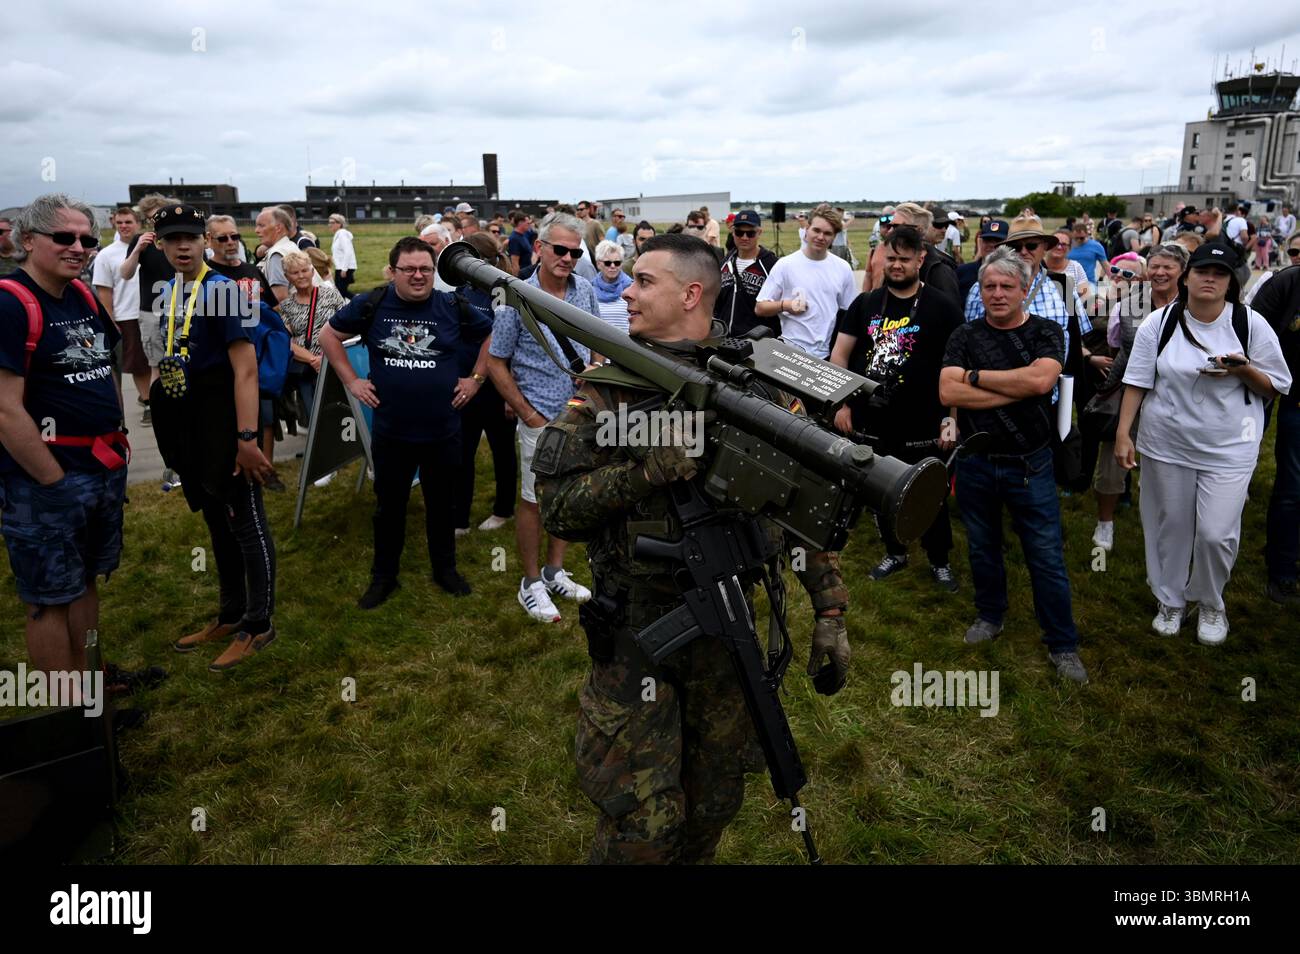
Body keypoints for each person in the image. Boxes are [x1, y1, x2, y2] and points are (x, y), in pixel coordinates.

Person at [535, 232, 849, 864]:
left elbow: (803, 508)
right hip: (635, 633)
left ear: (692, 293)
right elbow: (560, 509)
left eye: (644, 281)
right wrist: (646, 471)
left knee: (712, 800)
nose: (627, 290)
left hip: (726, 631)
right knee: (642, 825)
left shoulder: (755, 386)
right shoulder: (606, 390)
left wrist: (831, 613)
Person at [1116, 243, 1291, 643]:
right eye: (1202, 270)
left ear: (1231, 282)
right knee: (1170, 527)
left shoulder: (1250, 324)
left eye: (1221, 272)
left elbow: (1276, 386)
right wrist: (1125, 433)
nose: (1210, 278)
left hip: (1229, 445)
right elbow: (1137, 381)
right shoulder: (1158, 324)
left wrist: (1243, 369)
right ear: (1187, 275)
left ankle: (1211, 601)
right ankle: (1170, 598)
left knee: (1215, 532)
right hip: (1166, 443)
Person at [939, 247, 1088, 683]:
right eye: (989, 287)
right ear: (979, 291)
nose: (998, 294)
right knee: (983, 547)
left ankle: (1062, 644)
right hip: (976, 462)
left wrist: (975, 378)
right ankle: (990, 615)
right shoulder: (964, 336)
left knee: (1045, 556)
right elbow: (948, 393)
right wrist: (1017, 388)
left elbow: (1043, 380)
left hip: (1031, 463)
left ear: (1025, 290)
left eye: (1007, 286)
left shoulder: (1046, 331)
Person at [145, 205, 280, 671]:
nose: (182, 246)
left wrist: (247, 438)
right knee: (217, 523)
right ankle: (229, 614)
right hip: (188, 422)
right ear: (159, 242)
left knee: (246, 521)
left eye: (189, 237)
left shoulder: (223, 290)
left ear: (203, 239)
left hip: (223, 419)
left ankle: (258, 623)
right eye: (171, 238)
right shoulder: (170, 288)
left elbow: (246, 369)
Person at [0, 193, 128, 681]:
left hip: (100, 470)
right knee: (49, 600)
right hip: (44, 481)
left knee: (85, 583)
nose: (79, 247)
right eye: (64, 237)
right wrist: (52, 481)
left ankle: (92, 687)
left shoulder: (80, 295)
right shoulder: (10, 304)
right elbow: (5, 410)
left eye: (87, 239)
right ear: (27, 241)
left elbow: (103, 364)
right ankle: (71, 720)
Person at [322, 236, 490, 608]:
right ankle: (384, 577)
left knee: (441, 505)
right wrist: (351, 380)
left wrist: (476, 379)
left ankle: (445, 569)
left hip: (443, 430)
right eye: (409, 269)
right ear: (393, 271)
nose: (418, 276)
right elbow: (329, 336)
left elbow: (491, 334)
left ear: (434, 272)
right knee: (389, 507)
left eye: (425, 269)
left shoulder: (453, 306)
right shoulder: (373, 303)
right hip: (392, 432)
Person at [830, 224, 962, 590]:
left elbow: (956, 370)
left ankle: (939, 560)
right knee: (880, 489)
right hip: (871, 419)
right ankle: (895, 552)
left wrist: (951, 420)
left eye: (905, 259)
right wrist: (841, 404)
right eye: (891, 258)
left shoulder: (943, 307)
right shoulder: (866, 303)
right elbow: (839, 356)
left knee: (929, 493)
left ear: (921, 259)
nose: (897, 265)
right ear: (880, 257)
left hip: (924, 419)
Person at [487, 212, 596, 621]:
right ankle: (530, 582)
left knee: (566, 494)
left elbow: (595, 341)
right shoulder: (515, 294)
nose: (567, 258)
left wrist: (594, 381)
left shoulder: (584, 289)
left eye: (574, 251)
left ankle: (554, 571)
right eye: (560, 249)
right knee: (534, 499)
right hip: (539, 416)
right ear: (539, 248)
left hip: (579, 414)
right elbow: (497, 361)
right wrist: (527, 413)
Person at [1091, 243, 1186, 553]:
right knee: (1112, 462)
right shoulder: (1129, 304)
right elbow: (1116, 347)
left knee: (1170, 463)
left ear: (1181, 272)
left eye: (1168, 267)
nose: (1160, 272)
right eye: (1155, 266)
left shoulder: (1192, 305)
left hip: (1177, 396)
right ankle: (1105, 522)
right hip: (1128, 390)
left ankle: (1164, 523)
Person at [1239, 231, 1300, 604]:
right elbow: (1249, 335)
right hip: (1291, 399)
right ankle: (1282, 571)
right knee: (1293, 488)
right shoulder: (1285, 283)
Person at [452, 233, 516, 537]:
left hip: (495, 387)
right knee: (462, 452)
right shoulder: (462, 289)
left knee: (502, 451)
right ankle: (459, 517)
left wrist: (510, 396)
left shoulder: (503, 294)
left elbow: (510, 346)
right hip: (465, 385)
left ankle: (504, 511)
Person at [966, 215, 1090, 363]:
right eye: (1016, 247)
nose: (1023, 252)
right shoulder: (982, 288)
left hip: (1051, 382)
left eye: (1031, 245)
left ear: (1044, 247)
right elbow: (972, 339)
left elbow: (1076, 338)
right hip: (996, 379)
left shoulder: (1063, 287)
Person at [754, 207, 857, 359]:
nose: (821, 237)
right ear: (806, 229)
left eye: (828, 233)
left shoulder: (843, 268)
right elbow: (760, 307)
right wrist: (785, 305)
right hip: (789, 353)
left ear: (834, 237)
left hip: (826, 355)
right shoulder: (786, 264)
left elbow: (849, 315)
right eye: (816, 230)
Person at [119, 194, 182, 428]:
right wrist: (137, 250)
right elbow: (124, 274)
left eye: (158, 215)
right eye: (149, 218)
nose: (154, 221)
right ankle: (158, 410)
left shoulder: (178, 238)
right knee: (156, 364)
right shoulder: (141, 241)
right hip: (151, 311)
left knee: (183, 359)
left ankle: (182, 406)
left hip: (180, 309)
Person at [92, 206, 150, 416]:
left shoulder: (153, 247)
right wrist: (111, 321)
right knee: (139, 364)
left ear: (139, 224)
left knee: (158, 360)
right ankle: (148, 402)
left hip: (154, 312)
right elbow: (104, 291)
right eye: (120, 223)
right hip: (128, 315)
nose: (124, 226)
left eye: (129, 222)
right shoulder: (106, 255)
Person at [279, 250, 346, 426]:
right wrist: (314, 360)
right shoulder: (287, 306)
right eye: (295, 272)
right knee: (314, 415)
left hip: (334, 363)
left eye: (305, 270)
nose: (301, 276)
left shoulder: (330, 295)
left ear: (311, 270)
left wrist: (326, 358)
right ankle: (317, 452)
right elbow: (286, 341)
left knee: (339, 411)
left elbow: (347, 327)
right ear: (287, 276)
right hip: (306, 370)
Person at [714, 209, 778, 336]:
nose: (744, 237)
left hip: (756, 342)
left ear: (759, 232)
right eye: (739, 232)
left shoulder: (771, 265)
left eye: (750, 233)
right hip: (722, 338)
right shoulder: (725, 262)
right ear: (733, 232)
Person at [254, 206, 299, 304]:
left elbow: (279, 297)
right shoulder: (289, 246)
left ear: (278, 228)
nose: (256, 230)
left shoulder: (277, 254)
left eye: (261, 225)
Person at [955, 217, 1008, 300]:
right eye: (987, 240)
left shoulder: (1016, 274)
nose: (991, 245)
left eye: (998, 241)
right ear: (980, 242)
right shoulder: (962, 272)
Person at [591, 239, 632, 335]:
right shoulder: (590, 289)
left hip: (627, 345)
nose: (613, 266)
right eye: (608, 263)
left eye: (617, 262)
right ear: (598, 264)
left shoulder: (631, 288)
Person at [1044, 227, 1091, 300]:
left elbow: (1085, 295)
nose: (1059, 247)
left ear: (1069, 248)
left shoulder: (1075, 267)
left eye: (1064, 244)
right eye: (1056, 243)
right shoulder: (1037, 266)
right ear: (1048, 245)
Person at [1068, 221, 1110, 285]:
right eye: (1076, 238)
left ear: (1087, 234)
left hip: (1088, 283)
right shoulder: (1066, 246)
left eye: (1081, 238)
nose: (1079, 240)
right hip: (1067, 283)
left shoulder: (1096, 246)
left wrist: (1114, 280)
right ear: (1072, 235)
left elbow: (1106, 266)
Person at [328, 214, 357, 297]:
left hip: (344, 268)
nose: (330, 225)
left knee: (341, 292)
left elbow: (348, 252)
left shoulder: (342, 234)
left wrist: (344, 269)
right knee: (340, 292)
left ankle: (361, 303)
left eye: (332, 222)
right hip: (340, 267)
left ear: (339, 224)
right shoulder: (338, 235)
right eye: (329, 223)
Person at [507, 211, 534, 276]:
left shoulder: (523, 235)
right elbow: (515, 264)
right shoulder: (515, 239)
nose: (529, 225)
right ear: (520, 223)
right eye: (527, 223)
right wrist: (517, 282)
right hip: (522, 277)